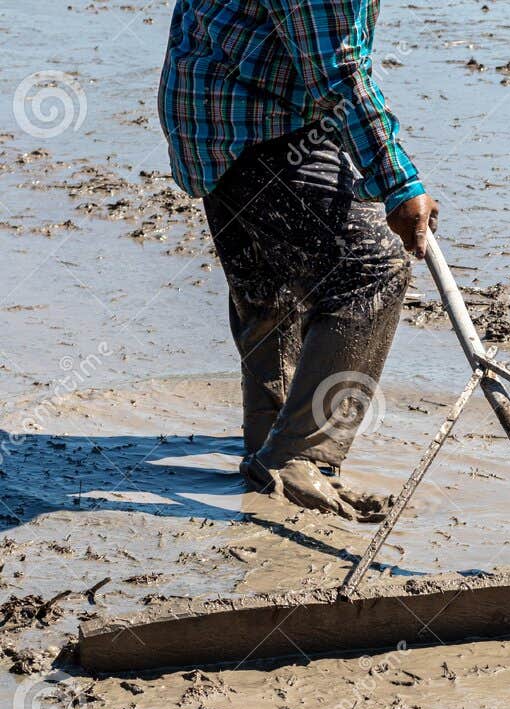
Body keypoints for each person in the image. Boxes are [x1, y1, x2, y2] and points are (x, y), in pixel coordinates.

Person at [158, 0, 439, 520]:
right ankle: (297, 455)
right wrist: (400, 182)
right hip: (247, 120)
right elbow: (339, 72)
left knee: (273, 282)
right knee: (369, 270)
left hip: (216, 109)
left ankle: (269, 436)